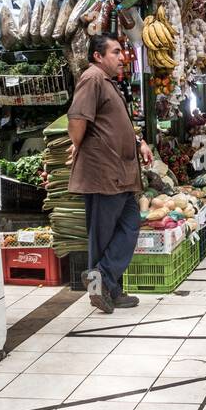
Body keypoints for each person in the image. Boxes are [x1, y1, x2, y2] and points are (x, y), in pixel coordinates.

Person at [67, 33, 154, 314]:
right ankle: (103, 290)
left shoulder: (108, 82)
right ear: (98, 56)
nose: (122, 57)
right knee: (101, 236)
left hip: (119, 172)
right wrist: (77, 145)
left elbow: (117, 123)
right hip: (103, 172)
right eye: (115, 52)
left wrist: (139, 142)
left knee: (129, 225)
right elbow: (78, 119)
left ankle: (105, 281)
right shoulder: (92, 78)